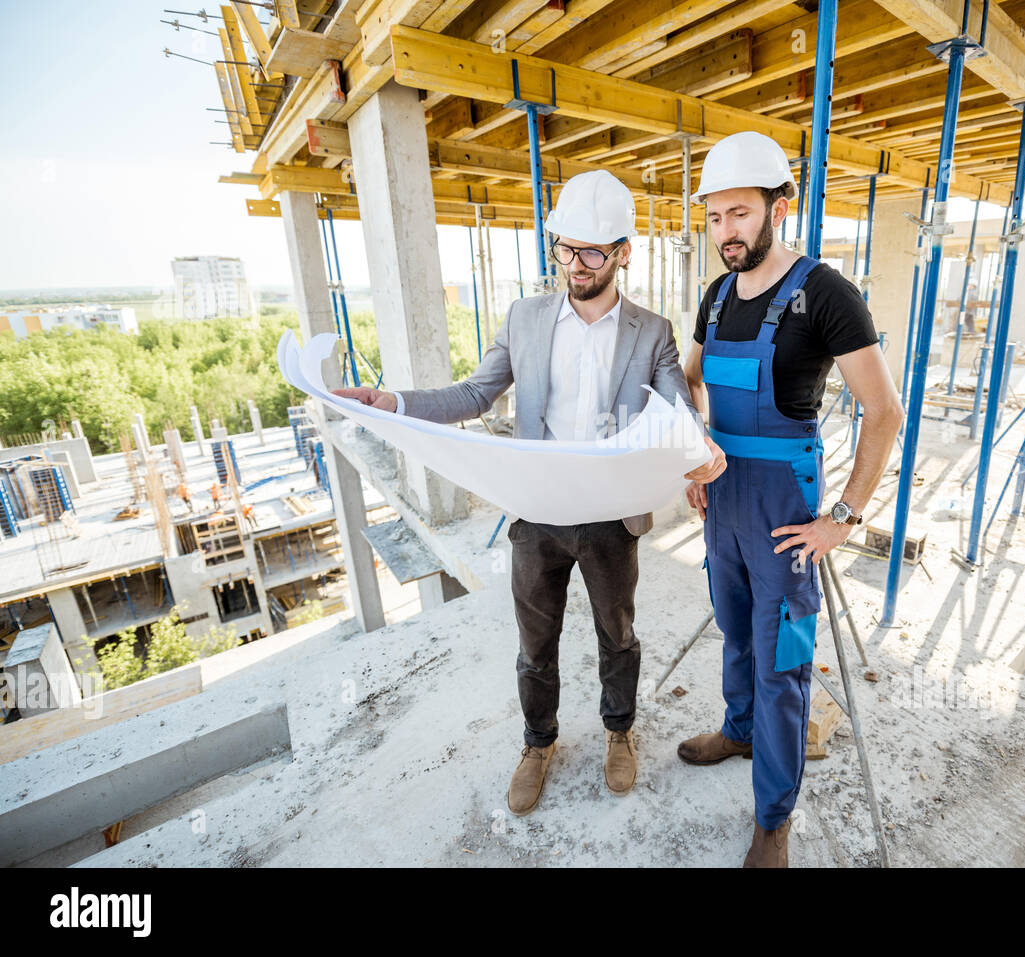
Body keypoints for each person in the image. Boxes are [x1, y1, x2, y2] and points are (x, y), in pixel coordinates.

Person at [332, 170, 727, 816]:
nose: (574, 265)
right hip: (538, 515)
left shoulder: (652, 331)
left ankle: (618, 729)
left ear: (624, 251)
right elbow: (473, 393)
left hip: (609, 516)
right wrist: (395, 403)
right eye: (565, 249)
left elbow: (675, 409)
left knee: (616, 634)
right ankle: (538, 742)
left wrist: (698, 448)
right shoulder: (525, 318)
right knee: (534, 643)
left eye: (592, 252)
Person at [678, 131, 903, 867]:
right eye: (714, 217)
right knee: (737, 632)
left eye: (739, 213)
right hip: (725, 505)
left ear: (780, 206)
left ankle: (774, 813)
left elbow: (885, 409)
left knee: (786, 659)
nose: (726, 232)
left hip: (787, 514)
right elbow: (688, 378)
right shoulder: (714, 296)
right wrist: (690, 458)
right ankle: (738, 729)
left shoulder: (824, 293)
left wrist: (842, 518)